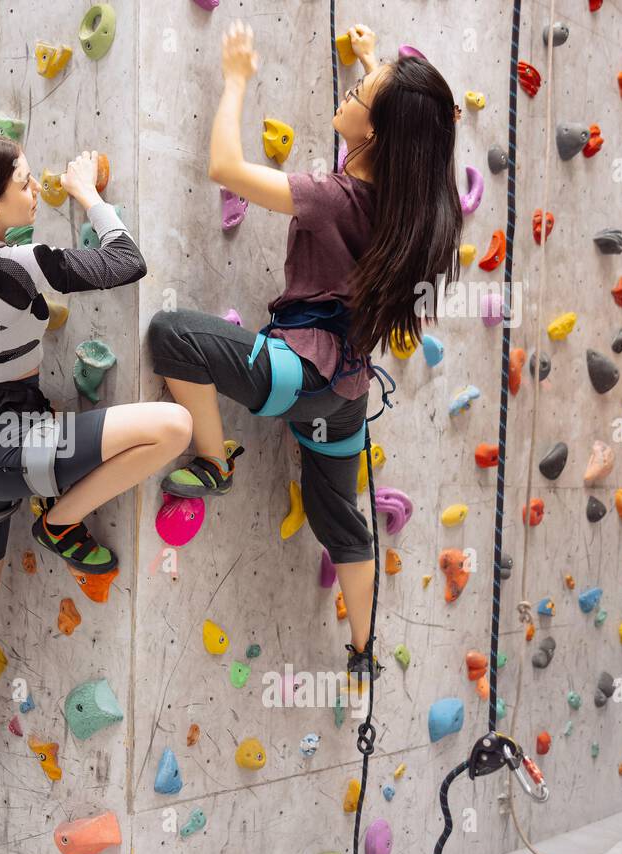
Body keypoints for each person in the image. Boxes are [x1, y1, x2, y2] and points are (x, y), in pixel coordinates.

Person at [147, 22, 463, 678]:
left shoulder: (327, 198)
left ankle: (214, 460)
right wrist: (377, 64)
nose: (346, 92)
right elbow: (398, 130)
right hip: (344, 398)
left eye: (358, 92)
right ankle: (361, 653)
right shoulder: (411, 205)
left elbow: (225, 169)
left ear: (374, 133)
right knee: (338, 520)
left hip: (297, 372)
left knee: (171, 335)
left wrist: (234, 77)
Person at [0, 133, 192, 801]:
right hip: (13, 444)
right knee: (173, 426)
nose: (39, 191)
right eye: (28, 183)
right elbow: (127, 260)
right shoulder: (19, 264)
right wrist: (89, 192)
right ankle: (60, 523)